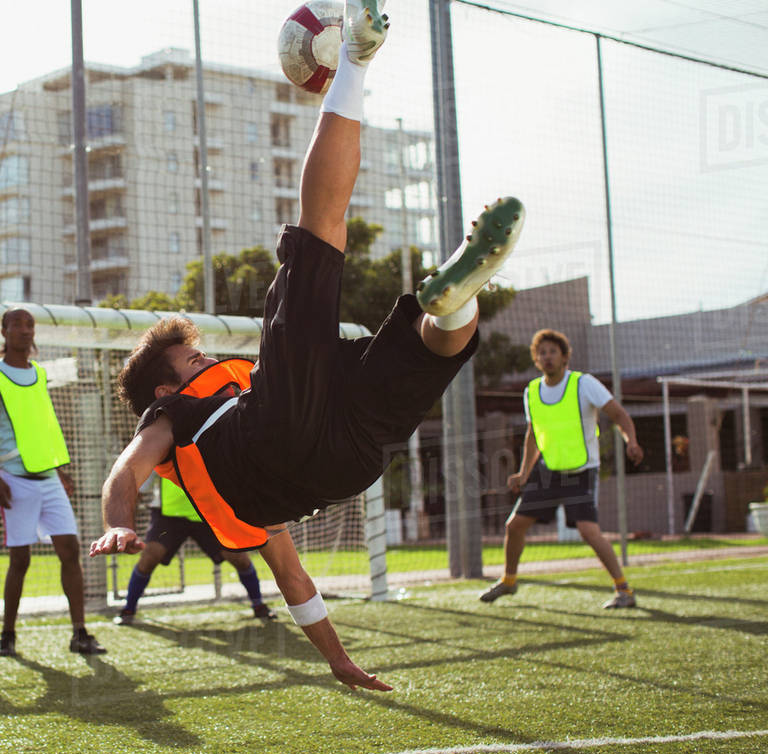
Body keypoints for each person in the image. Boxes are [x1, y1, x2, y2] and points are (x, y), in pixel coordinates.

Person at [90, 0, 525, 691]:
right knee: (320, 236)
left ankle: (457, 300)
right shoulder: (173, 420)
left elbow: (292, 577)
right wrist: (116, 523)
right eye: (192, 361)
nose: (205, 361)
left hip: (343, 465)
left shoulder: (237, 495)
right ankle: (354, 57)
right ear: (166, 391)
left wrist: (338, 659)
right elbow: (124, 474)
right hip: (279, 426)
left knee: (423, 348)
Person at [0, 307, 105, 657]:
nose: (25, 329)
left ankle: (80, 634)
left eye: (30, 324)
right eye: (17, 324)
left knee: (71, 550)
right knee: (21, 560)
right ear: (4, 331)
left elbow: (42, 429)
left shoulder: (41, 375)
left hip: (49, 479)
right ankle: (7, 635)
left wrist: (59, 469)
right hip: (15, 482)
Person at [480, 329, 644, 608]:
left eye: (552, 352)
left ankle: (623, 590)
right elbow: (533, 435)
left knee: (588, 531)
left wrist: (631, 440)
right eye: (541, 352)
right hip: (548, 471)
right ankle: (508, 581)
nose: (547, 357)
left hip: (582, 470)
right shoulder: (531, 391)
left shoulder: (584, 383)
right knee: (515, 525)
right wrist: (524, 472)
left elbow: (617, 413)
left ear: (565, 357)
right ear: (536, 359)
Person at [113, 475, 276, 625]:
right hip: (169, 515)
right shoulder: (158, 447)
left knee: (238, 557)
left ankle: (258, 604)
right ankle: (128, 610)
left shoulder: (210, 445)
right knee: (150, 557)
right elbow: (140, 489)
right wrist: (127, 526)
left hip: (207, 512)